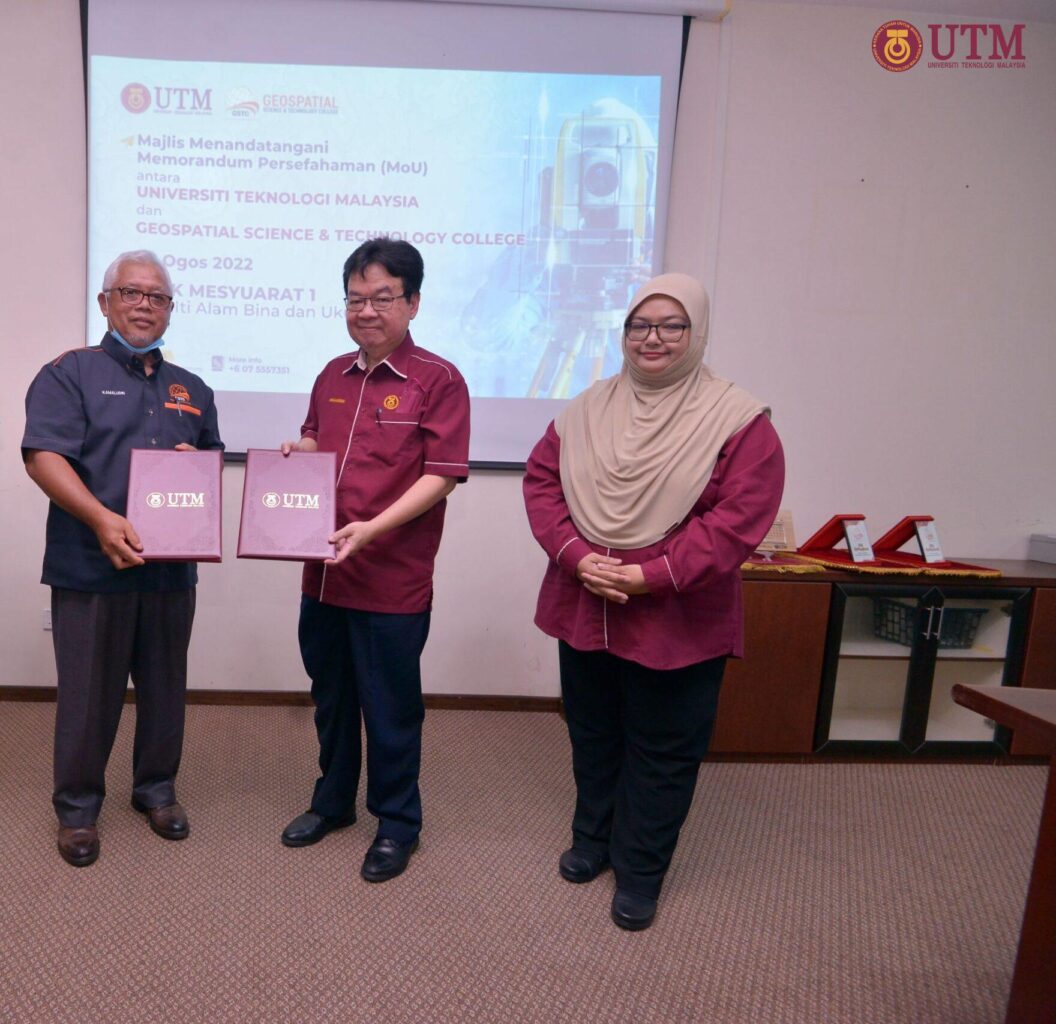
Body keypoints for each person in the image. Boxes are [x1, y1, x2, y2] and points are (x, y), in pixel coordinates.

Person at [522, 272, 783, 930]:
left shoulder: (739, 421)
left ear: (698, 332)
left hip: (678, 613)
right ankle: (593, 839)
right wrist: (575, 555)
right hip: (587, 598)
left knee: (662, 747)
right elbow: (542, 484)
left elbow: (736, 521)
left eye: (671, 326)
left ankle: (640, 870)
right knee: (593, 731)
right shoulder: (585, 409)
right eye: (640, 325)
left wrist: (652, 575)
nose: (653, 339)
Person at [278, 238, 471, 883]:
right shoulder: (331, 374)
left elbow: (442, 475)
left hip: (392, 578)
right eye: (355, 299)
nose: (366, 310)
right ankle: (332, 803)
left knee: (390, 708)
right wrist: (299, 452)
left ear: (413, 303)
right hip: (322, 574)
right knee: (332, 698)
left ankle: (397, 823)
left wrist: (372, 529)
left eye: (382, 298)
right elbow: (317, 440)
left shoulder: (439, 380)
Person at [23, 249, 223, 868]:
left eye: (157, 297)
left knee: (165, 688)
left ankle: (156, 790)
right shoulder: (68, 374)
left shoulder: (193, 388)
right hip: (90, 564)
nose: (144, 305)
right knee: (88, 695)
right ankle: (78, 810)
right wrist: (101, 519)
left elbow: (210, 466)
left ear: (170, 310)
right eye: (131, 293)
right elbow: (43, 458)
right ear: (105, 302)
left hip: (170, 571)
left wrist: (198, 465)